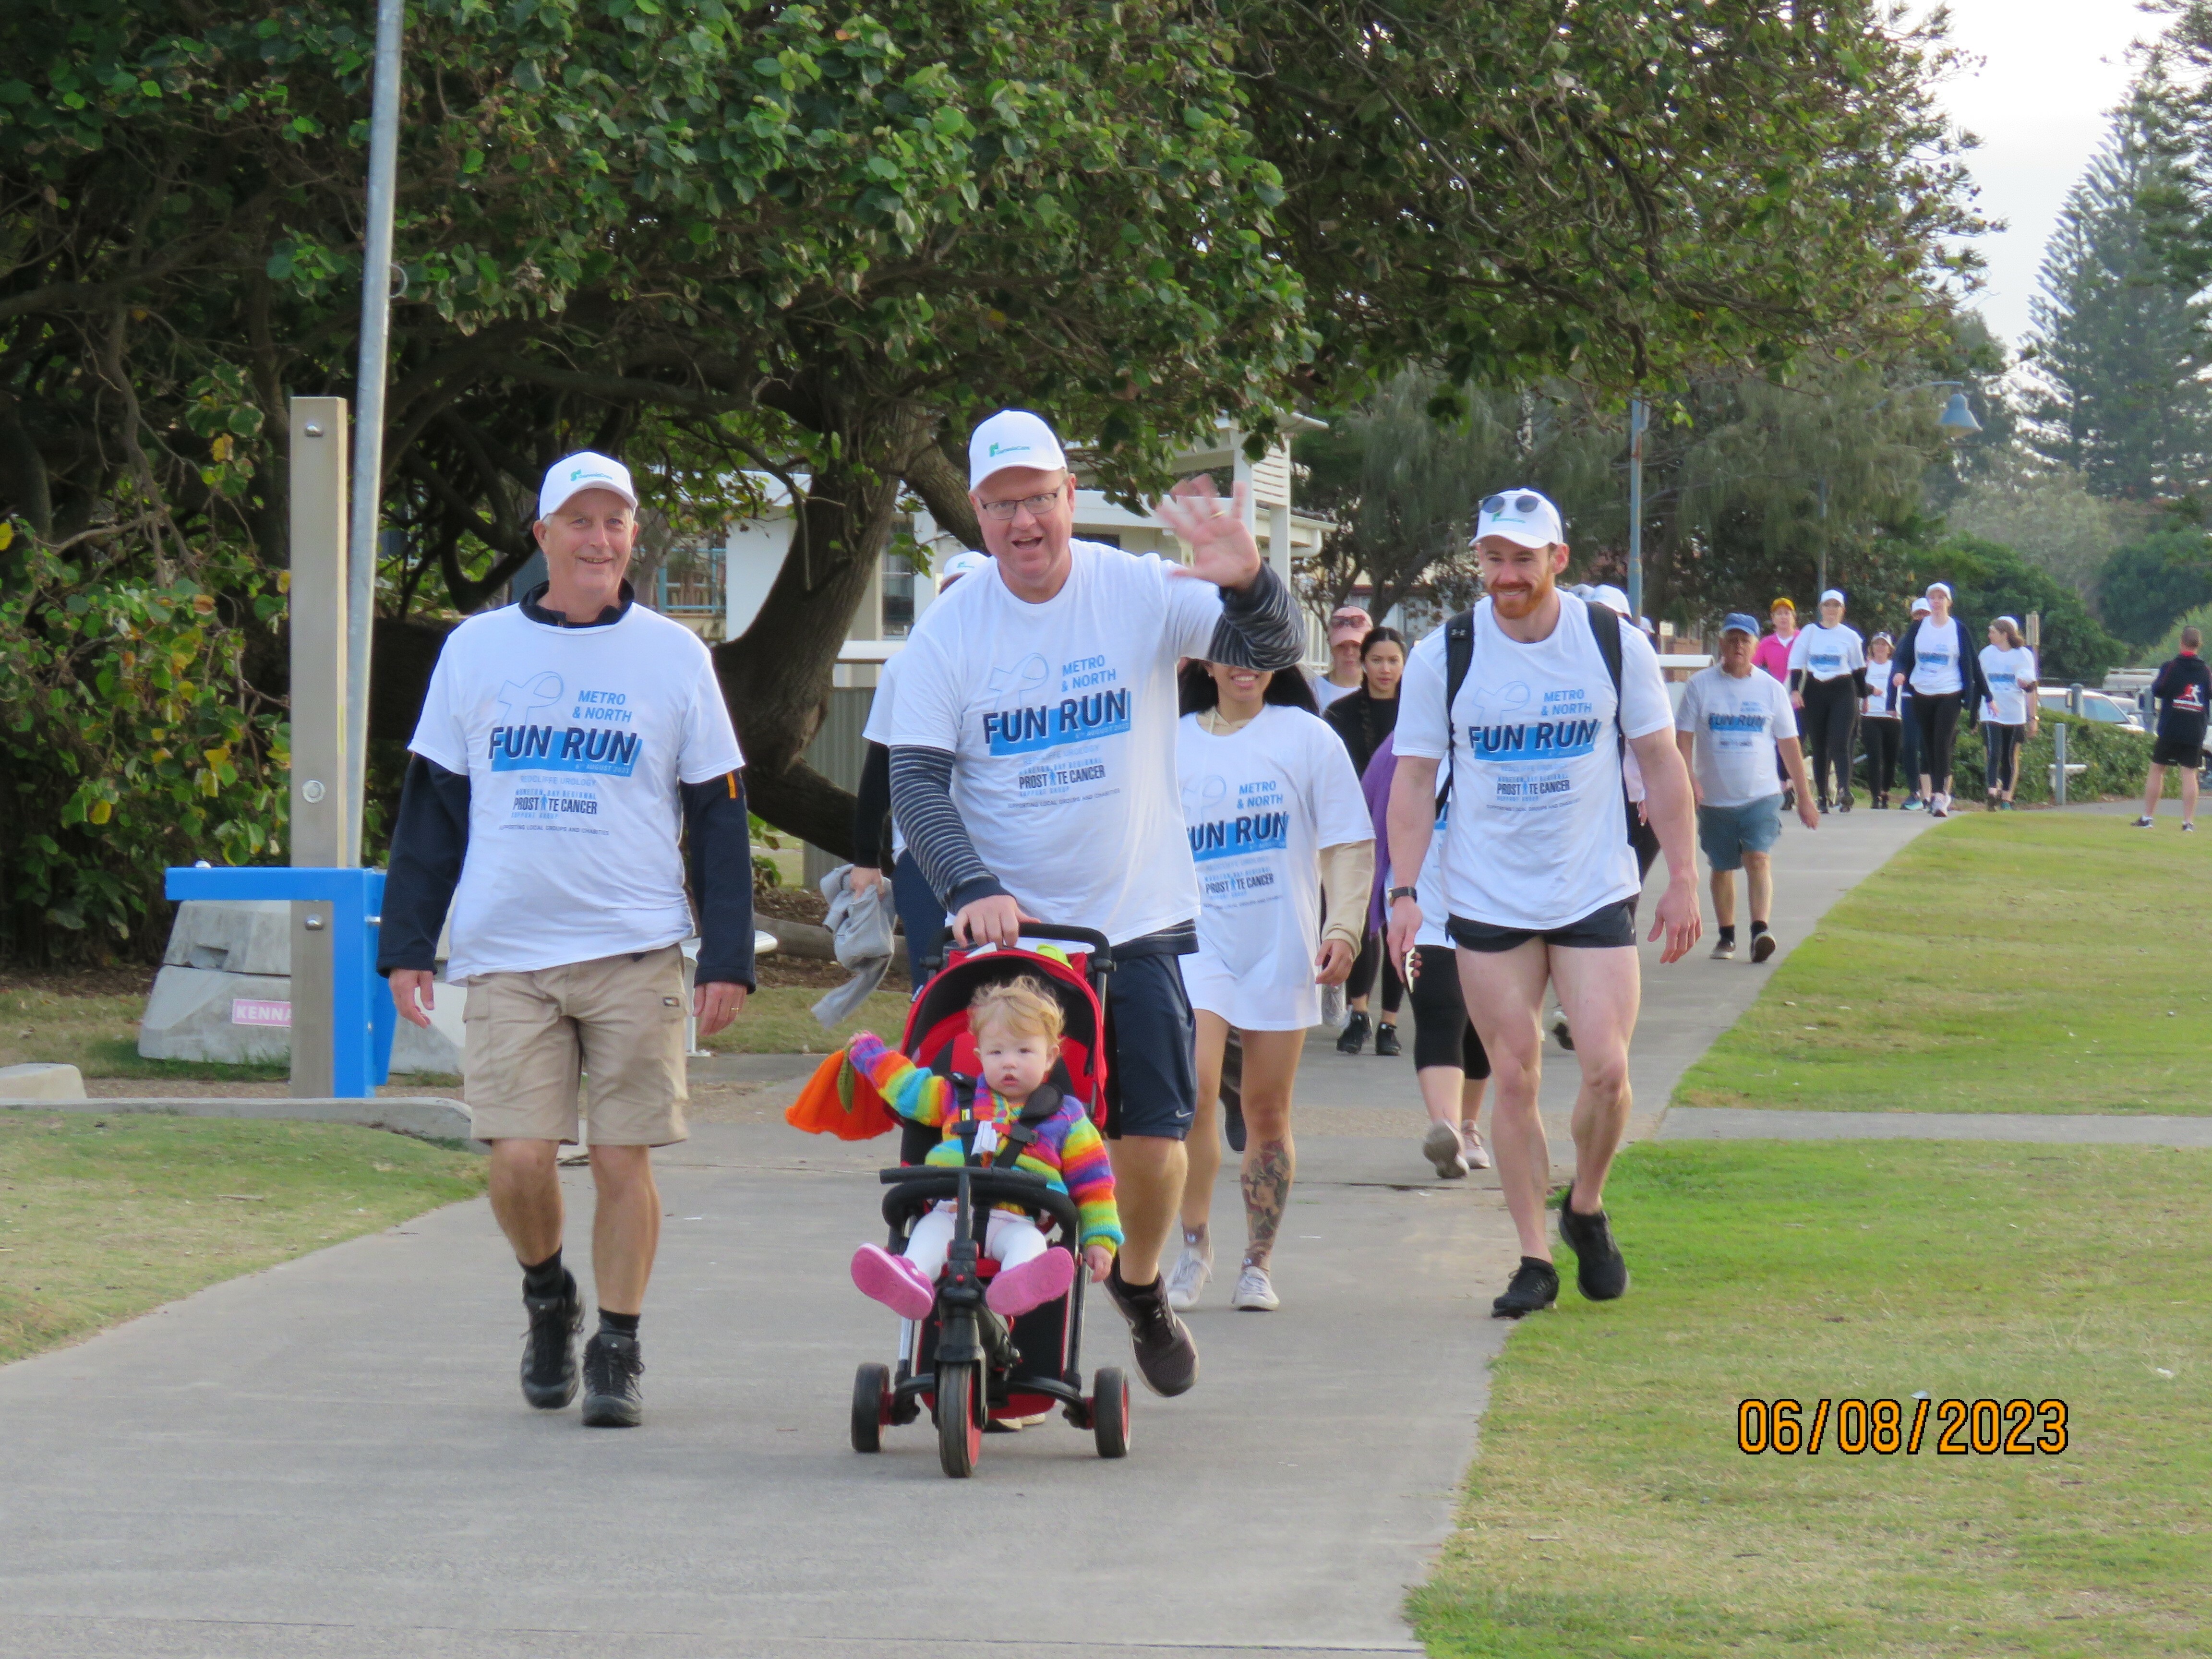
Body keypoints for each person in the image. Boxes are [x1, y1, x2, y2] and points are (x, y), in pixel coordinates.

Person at [885, 408, 1308, 1397]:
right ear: (977, 517)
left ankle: (1144, 1286)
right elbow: (915, 781)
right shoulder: (950, 631)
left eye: (1039, 499)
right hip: (1012, 937)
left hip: (1135, 919)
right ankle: (995, 1331)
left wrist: (1247, 577)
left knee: (1154, 1140)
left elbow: (1273, 647)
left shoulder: (1135, 591)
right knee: (996, 1133)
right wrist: (973, 886)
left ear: (1072, 498)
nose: (1023, 522)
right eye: (1001, 506)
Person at [379, 451, 756, 1429]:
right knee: (519, 1159)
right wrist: (408, 944)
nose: (599, 541)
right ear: (542, 536)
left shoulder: (675, 655)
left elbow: (718, 812)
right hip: (507, 951)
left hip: (636, 948)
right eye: (579, 523)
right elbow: (433, 810)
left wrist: (728, 956)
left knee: (627, 1158)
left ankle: (619, 1345)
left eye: (616, 523)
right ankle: (549, 1296)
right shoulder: (477, 650)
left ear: (635, 535)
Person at [1386, 488, 1703, 1320]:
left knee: (1605, 1067)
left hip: (1591, 883)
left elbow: (1661, 764)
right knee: (1515, 1073)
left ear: (1557, 561)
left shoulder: (1608, 644)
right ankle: (1532, 1257)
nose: (1505, 575)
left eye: (1522, 559)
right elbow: (1413, 778)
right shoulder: (1443, 653)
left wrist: (1683, 877)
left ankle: (1585, 1206)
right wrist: (1404, 891)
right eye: (1492, 558)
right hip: (1486, 892)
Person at [1166, 660, 1370, 1312]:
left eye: (1258, 652)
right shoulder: (1171, 740)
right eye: (1228, 651)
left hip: (1281, 947)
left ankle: (1258, 1264)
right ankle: (1193, 1245)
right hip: (1198, 944)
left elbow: (1348, 844)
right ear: (1203, 660)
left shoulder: (1307, 737)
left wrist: (1343, 928)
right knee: (1195, 1089)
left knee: (1266, 1111)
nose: (1243, 666)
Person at [846, 979, 1120, 1320]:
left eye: (1023, 1052)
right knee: (927, 1234)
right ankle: (909, 1278)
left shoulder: (1066, 1115)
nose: (1009, 1063)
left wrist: (1099, 1238)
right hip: (952, 1210)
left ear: (1050, 1056)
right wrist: (871, 1054)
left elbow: (1094, 1184)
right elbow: (908, 1090)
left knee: (1030, 1248)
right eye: (996, 1052)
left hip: (1020, 1217)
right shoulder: (957, 1096)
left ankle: (1017, 1285)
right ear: (979, 1056)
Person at [852, 550, 990, 985]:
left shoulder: (1010, 662)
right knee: (933, 973)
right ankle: (930, 1053)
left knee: (998, 978)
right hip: (921, 850)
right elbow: (880, 767)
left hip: (996, 847)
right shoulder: (907, 665)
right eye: (953, 590)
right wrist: (865, 859)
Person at [1365, 731, 1492, 1179]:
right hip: (1416, 907)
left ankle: (1468, 1125)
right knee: (1441, 1008)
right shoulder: (1395, 752)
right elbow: (1365, 822)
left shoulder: (1492, 739)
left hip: (1490, 904)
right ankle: (1446, 1128)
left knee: (1482, 1020)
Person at [1676, 615, 1821, 962]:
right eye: (1732, 640)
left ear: (1757, 646)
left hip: (1762, 794)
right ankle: (1727, 936)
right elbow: (1682, 740)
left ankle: (1760, 931)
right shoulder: (1700, 686)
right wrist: (1688, 781)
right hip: (1715, 797)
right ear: (1722, 644)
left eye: (1746, 641)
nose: (1739, 646)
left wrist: (1804, 796)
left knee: (1759, 858)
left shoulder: (1770, 689)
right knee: (1722, 865)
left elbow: (1789, 744)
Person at [1325, 625, 1408, 1054]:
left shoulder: (1419, 712)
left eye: (1394, 660)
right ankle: (1359, 1014)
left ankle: (1390, 1023)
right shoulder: (1338, 715)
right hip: (1354, 828)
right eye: (1377, 660)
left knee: (1398, 919)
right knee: (1361, 921)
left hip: (1407, 829)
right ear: (1363, 663)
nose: (1385, 669)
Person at [1893, 581, 1988, 819]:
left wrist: (1987, 695)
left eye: (1941, 598)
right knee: (1928, 743)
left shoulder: (1958, 629)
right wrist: (1900, 672)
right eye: (1932, 598)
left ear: (1949, 602)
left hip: (1951, 691)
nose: (1936, 602)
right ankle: (1937, 792)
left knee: (1942, 741)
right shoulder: (1918, 628)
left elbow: (1972, 663)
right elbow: (1904, 656)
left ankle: (1939, 795)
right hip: (1922, 691)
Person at [1787, 588, 1866, 813]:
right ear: (1821, 609)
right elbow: (1796, 664)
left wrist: (1863, 697)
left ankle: (1844, 789)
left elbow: (1859, 670)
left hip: (1842, 689)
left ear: (1843, 610)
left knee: (1840, 742)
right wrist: (1795, 691)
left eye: (1836, 606)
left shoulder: (1850, 636)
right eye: (1827, 606)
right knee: (1819, 744)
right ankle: (1821, 796)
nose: (1831, 610)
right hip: (1815, 690)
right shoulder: (1810, 633)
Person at [2136, 626, 2212, 830]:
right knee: (2189, 773)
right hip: (2195, 730)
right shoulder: (2206, 671)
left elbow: (2158, 690)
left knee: (2157, 769)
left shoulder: (2171, 667)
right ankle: (2188, 823)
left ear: (2181, 642)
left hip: (2171, 728)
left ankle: (2148, 818)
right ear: (2199, 645)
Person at [1977, 617, 2039, 811]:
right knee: (1993, 752)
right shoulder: (1986, 654)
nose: (1989, 635)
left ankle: (2007, 799)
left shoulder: (2023, 655)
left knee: (2010, 756)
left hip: (2014, 712)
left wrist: (2033, 718)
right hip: (1991, 711)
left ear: (2005, 634)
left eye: (1993, 631)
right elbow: (1979, 682)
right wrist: (1973, 715)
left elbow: (2031, 687)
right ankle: (1992, 792)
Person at [1859, 633, 1902, 808]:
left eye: (1884, 645)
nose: (1880, 647)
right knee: (1874, 757)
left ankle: (1885, 791)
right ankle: (1875, 795)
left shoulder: (1895, 667)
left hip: (1892, 716)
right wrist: (1868, 694)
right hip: (1871, 716)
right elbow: (1858, 686)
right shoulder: (1866, 667)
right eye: (1877, 644)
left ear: (1889, 649)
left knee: (1891, 758)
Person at [1897, 596, 1930, 809]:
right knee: (1909, 745)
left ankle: (1933, 793)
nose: (1921, 619)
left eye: (1924, 614)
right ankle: (1914, 791)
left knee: (1931, 745)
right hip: (1910, 698)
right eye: (1917, 615)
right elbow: (1897, 666)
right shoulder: (1907, 640)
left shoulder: (1941, 638)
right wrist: (1892, 703)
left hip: (1934, 697)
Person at [1313, 605, 1374, 710]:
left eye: (1356, 646)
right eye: (1341, 646)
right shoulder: (1312, 690)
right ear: (1331, 647)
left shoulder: (1381, 692)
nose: (1349, 652)